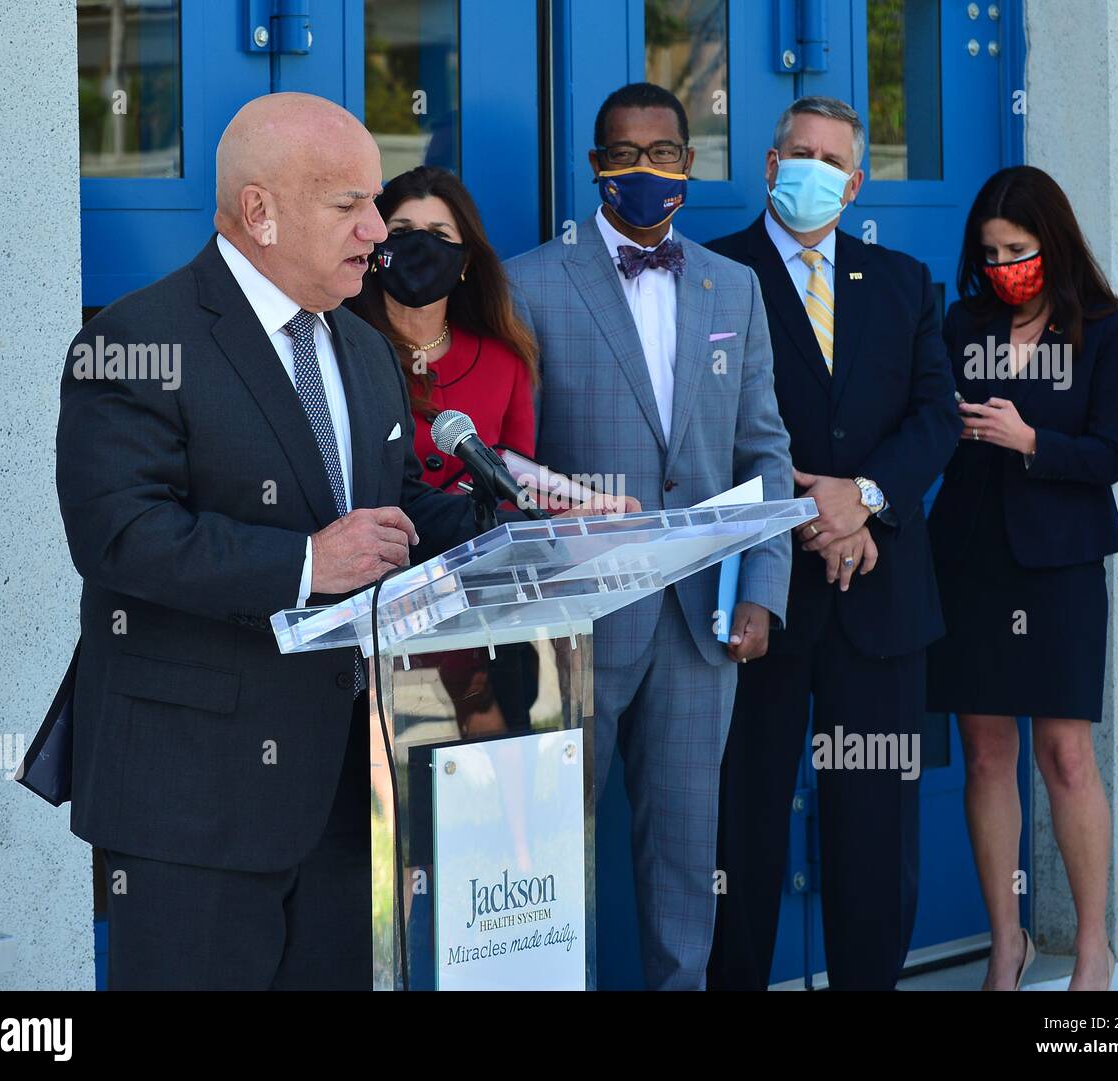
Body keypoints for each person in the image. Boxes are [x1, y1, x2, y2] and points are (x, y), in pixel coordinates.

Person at [53, 92, 620, 991]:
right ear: (259, 212)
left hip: (350, 782)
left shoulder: (358, 349)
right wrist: (308, 563)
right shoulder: (133, 340)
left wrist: (519, 519)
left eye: (375, 202)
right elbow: (121, 534)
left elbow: (390, 509)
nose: (377, 233)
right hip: (195, 798)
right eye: (349, 205)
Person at [504, 82, 793, 990]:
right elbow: (511, 460)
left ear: (687, 164)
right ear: (596, 168)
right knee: (548, 861)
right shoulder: (527, 280)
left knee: (683, 862)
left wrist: (763, 590)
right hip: (578, 622)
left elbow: (765, 449)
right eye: (624, 155)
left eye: (662, 154)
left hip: (698, 621)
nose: (644, 170)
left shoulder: (734, 287)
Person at [704, 96, 960, 990]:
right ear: (770, 167)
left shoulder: (901, 280)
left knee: (874, 832)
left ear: (853, 182)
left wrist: (864, 498)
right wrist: (807, 515)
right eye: (796, 153)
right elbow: (700, 430)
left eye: (831, 159)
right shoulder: (713, 273)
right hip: (758, 601)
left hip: (879, 598)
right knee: (743, 827)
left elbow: (936, 416)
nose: (812, 169)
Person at [927, 165, 1118, 992]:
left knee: (1066, 755)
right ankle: (1005, 943)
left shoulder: (1110, 330)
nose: (1004, 263)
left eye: (1018, 248)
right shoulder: (960, 322)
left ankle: (1093, 946)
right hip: (971, 557)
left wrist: (1029, 440)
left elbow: (1111, 456)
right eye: (990, 251)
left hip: (1060, 566)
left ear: (1052, 243)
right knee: (984, 753)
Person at [347, 165, 537, 494]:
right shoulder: (344, 349)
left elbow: (520, 487)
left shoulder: (504, 361)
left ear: (465, 262)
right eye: (402, 231)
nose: (421, 248)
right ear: (377, 249)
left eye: (440, 235)